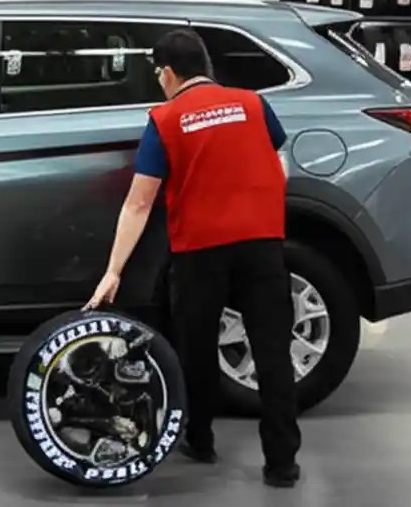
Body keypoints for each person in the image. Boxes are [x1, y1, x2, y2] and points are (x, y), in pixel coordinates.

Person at [84, 28, 301, 488]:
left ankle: (200, 439)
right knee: (272, 351)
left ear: (166, 72)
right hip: (262, 243)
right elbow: (278, 159)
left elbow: (139, 203)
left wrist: (113, 271)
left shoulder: (165, 119)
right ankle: (282, 463)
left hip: (201, 251)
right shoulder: (253, 103)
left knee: (197, 349)